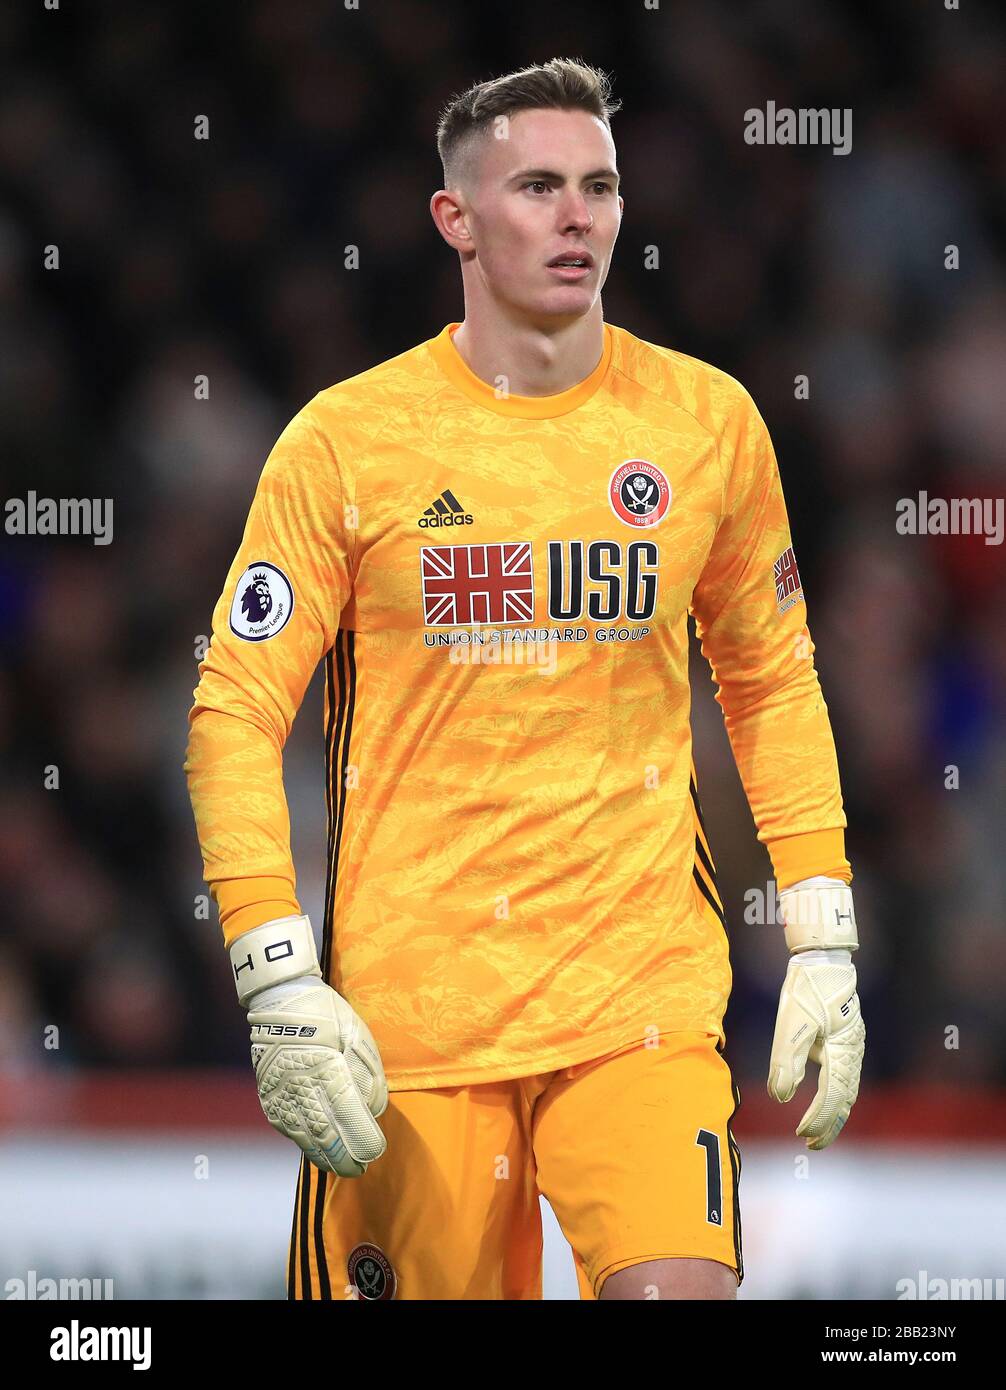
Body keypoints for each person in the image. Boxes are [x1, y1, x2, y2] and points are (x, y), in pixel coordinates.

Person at [185, 56, 865, 1302]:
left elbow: (771, 677)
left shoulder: (706, 424)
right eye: (539, 185)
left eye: (599, 186)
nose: (576, 216)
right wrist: (272, 963)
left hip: (638, 998)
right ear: (455, 219)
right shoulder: (348, 442)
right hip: (414, 1026)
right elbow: (235, 705)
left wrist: (821, 926)